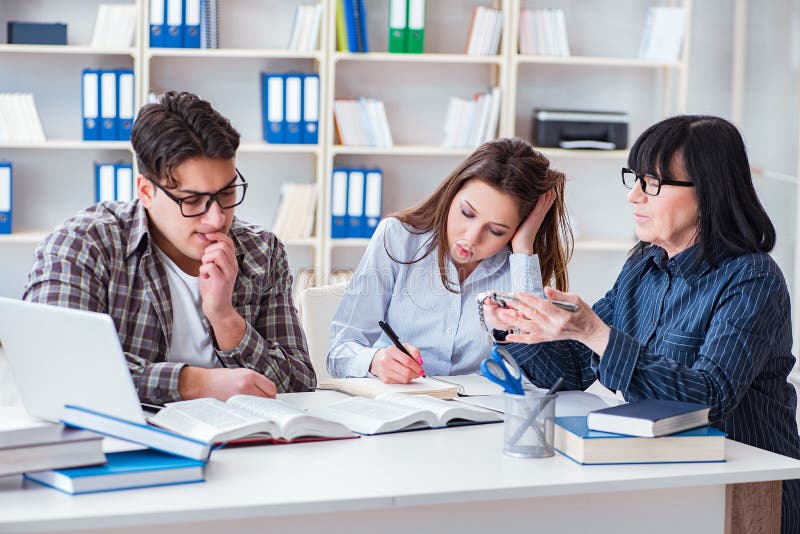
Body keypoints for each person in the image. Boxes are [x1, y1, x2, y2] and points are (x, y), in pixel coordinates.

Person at [485, 115, 800, 532]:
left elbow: (710, 398)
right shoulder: (644, 266)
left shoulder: (752, 278)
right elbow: (574, 370)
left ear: (709, 191)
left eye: (652, 183)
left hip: (746, 494)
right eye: (634, 178)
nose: (634, 196)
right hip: (663, 475)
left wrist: (595, 332)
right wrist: (516, 327)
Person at [23, 91, 316, 405]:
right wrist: (194, 383)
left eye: (228, 193)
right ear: (146, 192)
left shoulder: (262, 252)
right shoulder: (84, 244)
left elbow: (299, 382)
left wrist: (226, 319)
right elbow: (54, 363)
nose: (217, 218)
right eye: (192, 201)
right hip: (123, 445)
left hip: (243, 444)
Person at [327, 137, 573, 382]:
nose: (471, 237)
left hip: (481, 415)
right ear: (452, 193)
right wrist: (376, 361)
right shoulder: (398, 238)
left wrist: (523, 252)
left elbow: (544, 374)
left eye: (496, 230)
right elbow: (338, 352)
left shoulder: (518, 264)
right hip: (399, 408)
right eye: (467, 213)